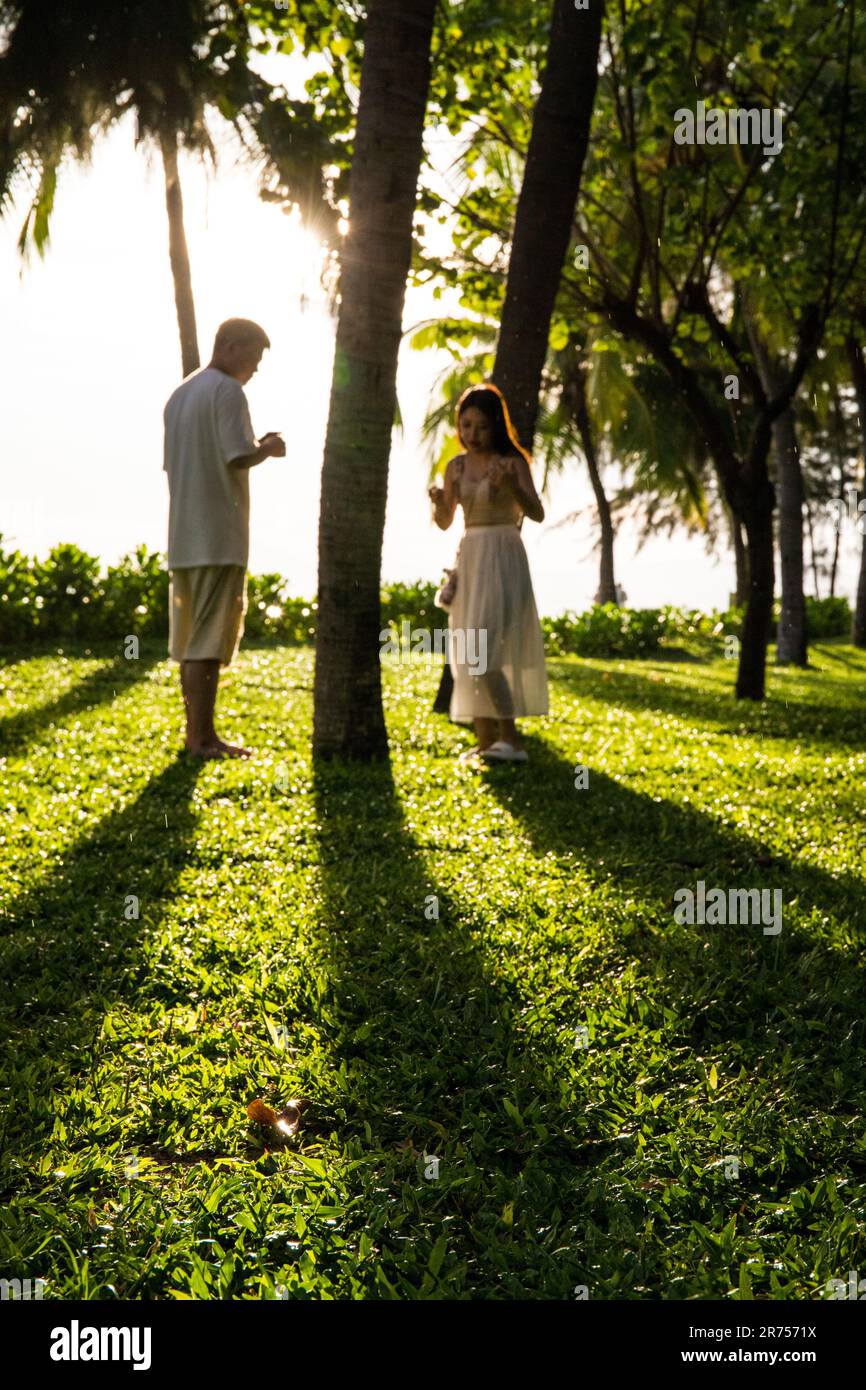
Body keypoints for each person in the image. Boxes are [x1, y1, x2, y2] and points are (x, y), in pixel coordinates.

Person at [163, 317, 286, 759]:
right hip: (218, 535)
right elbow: (238, 456)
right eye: (253, 357)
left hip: (182, 537)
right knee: (208, 644)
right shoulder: (228, 391)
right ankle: (201, 739)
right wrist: (268, 447)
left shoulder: (180, 395)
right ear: (231, 347)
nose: (255, 368)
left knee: (191, 643)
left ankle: (199, 734)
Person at [428, 383, 548, 762]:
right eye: (465, 425)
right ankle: (484, 742)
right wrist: (437, 503)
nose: (471, 435)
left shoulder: (512, 463)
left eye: (480, 426)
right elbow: (447, 522)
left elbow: (537, 512)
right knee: (467, 652)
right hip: (471, 557)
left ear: (496, 425)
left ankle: (511, 739)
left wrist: (512, 485)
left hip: (503, 555)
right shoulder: (456, 467)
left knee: (485, 652)